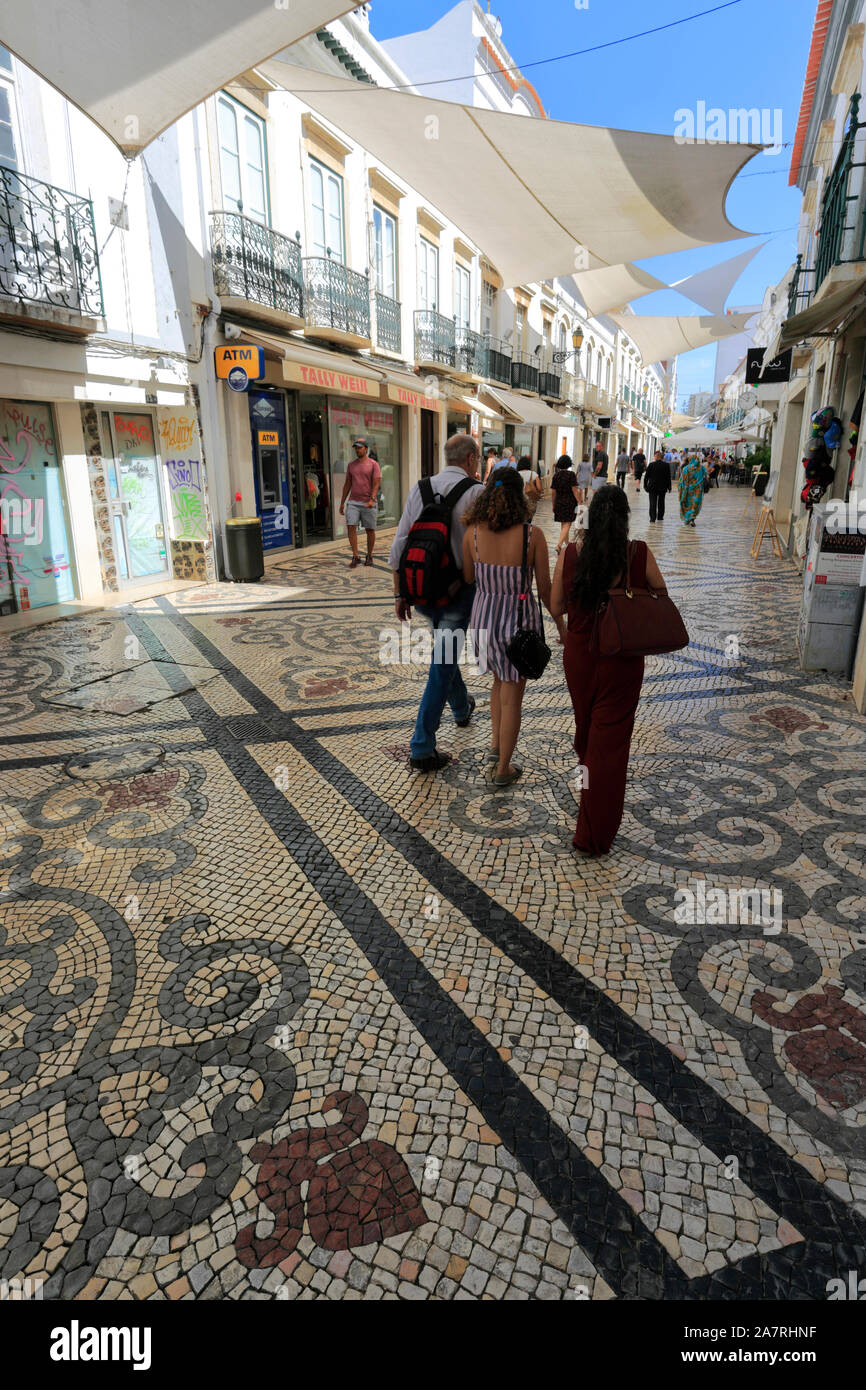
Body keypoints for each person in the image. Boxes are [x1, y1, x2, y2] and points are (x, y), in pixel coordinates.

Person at [551, 484, 667, 855]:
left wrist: (567, 632)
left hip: (580, 657)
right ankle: (594, 832)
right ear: (623, 518)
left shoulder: (571, 554)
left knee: (587, 730)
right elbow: (661, 595)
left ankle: (589, 802)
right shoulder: (638, 554)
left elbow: (555, 605)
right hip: (622, 660)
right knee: (611, 746)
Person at [463, 468, 565, 788]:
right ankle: (504, 768)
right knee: (512, 695)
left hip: (481, 622)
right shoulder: (531, 536)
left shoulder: (473, 533)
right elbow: (546, 592)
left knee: (497, 682)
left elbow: (468, 578)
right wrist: (561, 627)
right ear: (519, 495)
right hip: (515, 625)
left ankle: (496, 747)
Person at [390, 433, 483, 772]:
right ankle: (421, 746)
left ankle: (461, 708)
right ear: (472, 458)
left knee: (445, 656)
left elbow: (399, 543)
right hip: (458, 593)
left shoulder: (420, 488)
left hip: (423, 591)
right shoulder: (477, 492)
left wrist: (399, 593)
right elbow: (483, 550)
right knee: (442, 664)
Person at [339, 436, 380, 569]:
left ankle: (369, 555)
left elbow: (376, 483)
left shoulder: (374, 464)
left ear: (366, 449)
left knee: (370, 530)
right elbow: (347, 484)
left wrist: (372, 499)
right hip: (353, 502)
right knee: (351, 526)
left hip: (369, 502)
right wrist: (342, 502)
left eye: (359, 448)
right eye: (356, 448)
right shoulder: (351, 465)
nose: (357, 450)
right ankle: (356, 556)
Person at [551, 454, 581, 553]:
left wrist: (553, 504)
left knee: (564, 524)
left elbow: (553, 493)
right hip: (569, 502)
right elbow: (574, 490)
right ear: (568, 464)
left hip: (559, 502)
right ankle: (559, 545)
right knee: (567, 524)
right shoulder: (571, 475)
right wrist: (579, 502)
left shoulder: (556, 476)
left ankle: (567, 545)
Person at [679, 453, 708, 527]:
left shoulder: (686, 468)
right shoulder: (701, 468)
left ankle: (687, 518)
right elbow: (707, 475)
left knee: (687, 504)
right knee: (695, 505)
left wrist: (681, 489)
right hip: (698, 490)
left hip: (688, 490)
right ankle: (692, 518)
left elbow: (683, 480)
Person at [643, 450, 672, 522]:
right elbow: (668, 477)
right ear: (662, 457)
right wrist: (669, 487)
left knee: (653, 502)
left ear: (656, 457)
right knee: (661, 502)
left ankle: (652, 518)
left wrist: (645, 485)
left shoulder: (651, 465)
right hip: (663, 487)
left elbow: (646, 476)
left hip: (652, 487)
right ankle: (660, 517)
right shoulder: (666, 465)